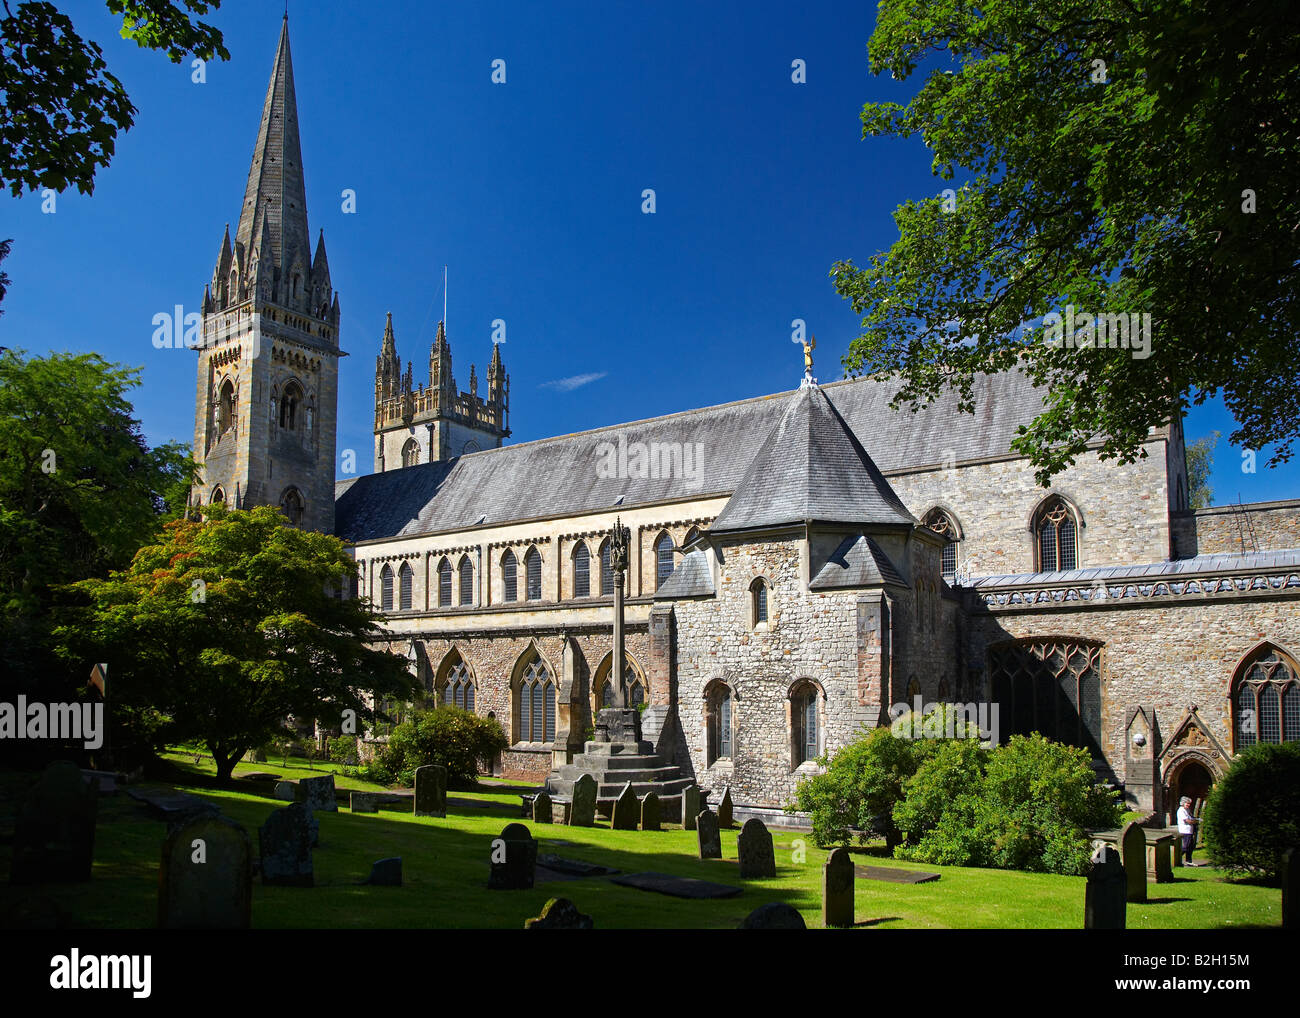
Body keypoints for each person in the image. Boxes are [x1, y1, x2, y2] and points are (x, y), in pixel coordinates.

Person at [1176, 796, 1200, 866]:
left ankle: (1189, 861)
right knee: (1185, 846)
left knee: (1190, 846)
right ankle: (1176, 858)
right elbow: (1187, 821)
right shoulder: (1181, 810)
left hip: (1189, 830)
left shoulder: (1187, 810)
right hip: (1185, 830)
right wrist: (1195, 821)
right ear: (1183, 803)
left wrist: (1195, 819)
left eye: (1189, 804)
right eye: (1187, 803)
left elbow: (1191, 817)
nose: (1188, 805)